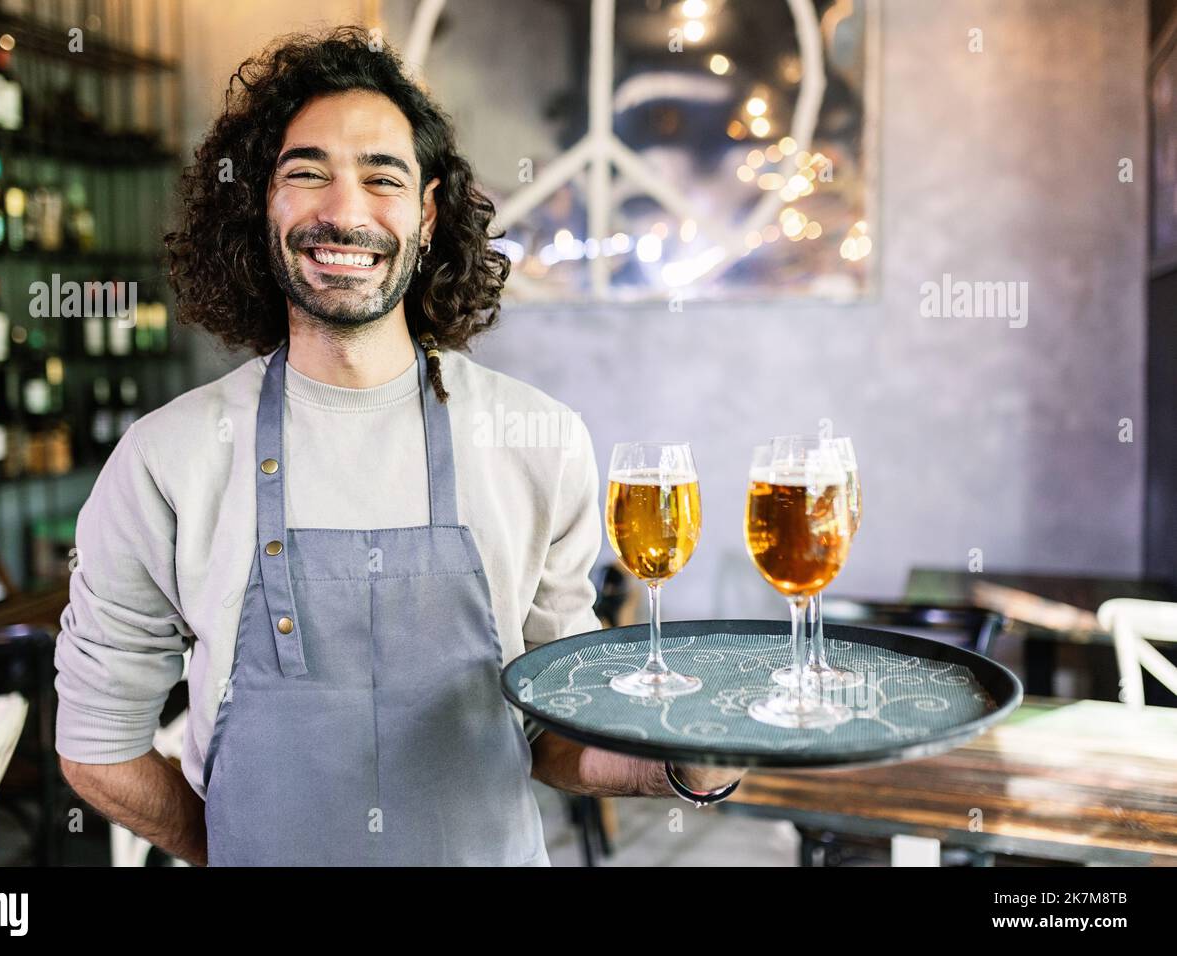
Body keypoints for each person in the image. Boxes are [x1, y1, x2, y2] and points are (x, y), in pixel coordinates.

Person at [54, 25, 744, 867]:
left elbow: (552, 734)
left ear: (426, 211)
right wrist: (231, 849)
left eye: (381, 177)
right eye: (305, 173)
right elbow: (97, 745)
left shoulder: (540, 441)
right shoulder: (166, 461)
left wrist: (670, 764)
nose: (343, 211)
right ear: (260, 202)